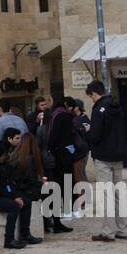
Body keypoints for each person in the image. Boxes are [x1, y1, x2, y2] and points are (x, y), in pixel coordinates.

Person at [85, 81, 127, 242]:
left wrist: (87, 131)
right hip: (118, 155)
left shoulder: (98, 110)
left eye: (90, 97)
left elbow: (95, 135)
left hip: (103, 156)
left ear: (94, 93)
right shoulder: (117, 106)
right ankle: (122, 229)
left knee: (106, 195)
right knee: (118, 193)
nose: (91, 100)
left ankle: (108, 232)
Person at [5, 131, 46, 244]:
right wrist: (41, 184)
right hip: (21, 190)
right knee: (30, 200)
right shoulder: (29, 159)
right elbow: (29, 180)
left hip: (14, 188)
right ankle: (26, 234)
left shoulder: (14, 155)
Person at [45, 98, 78, 228]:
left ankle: (68, 210)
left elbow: (54, 136)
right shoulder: (66, 115)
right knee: (69, 180)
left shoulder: (57, 116)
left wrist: (51, 148)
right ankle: (73, 209)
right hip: (68, 151)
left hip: (60, 153)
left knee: (63, 182)